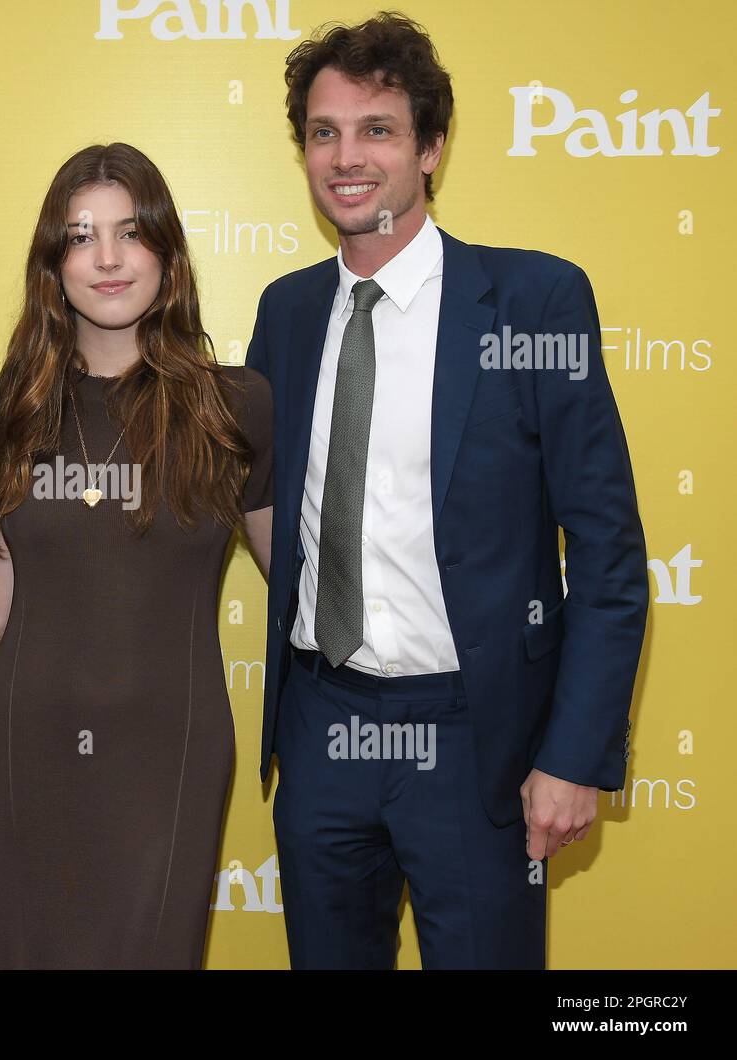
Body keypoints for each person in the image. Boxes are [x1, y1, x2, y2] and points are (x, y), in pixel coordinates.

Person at [247, 13, 648, 969]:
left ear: (430, 149)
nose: (347, 156)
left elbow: (606, 547)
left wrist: (572, 755)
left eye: (377, 129)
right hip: (322, 727)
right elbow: (264, 496)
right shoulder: (287, 312)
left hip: (478, 747)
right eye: (324, 131)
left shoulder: (534, 303)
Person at [0, 143, 273, 968]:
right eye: (82, 237)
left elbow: (299, 581)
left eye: (130, 233)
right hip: (21, 753)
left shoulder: (237, 408)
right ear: (54, 262)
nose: (109, 259)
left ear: (167, 252)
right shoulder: (3, 410)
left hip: (169, 756)